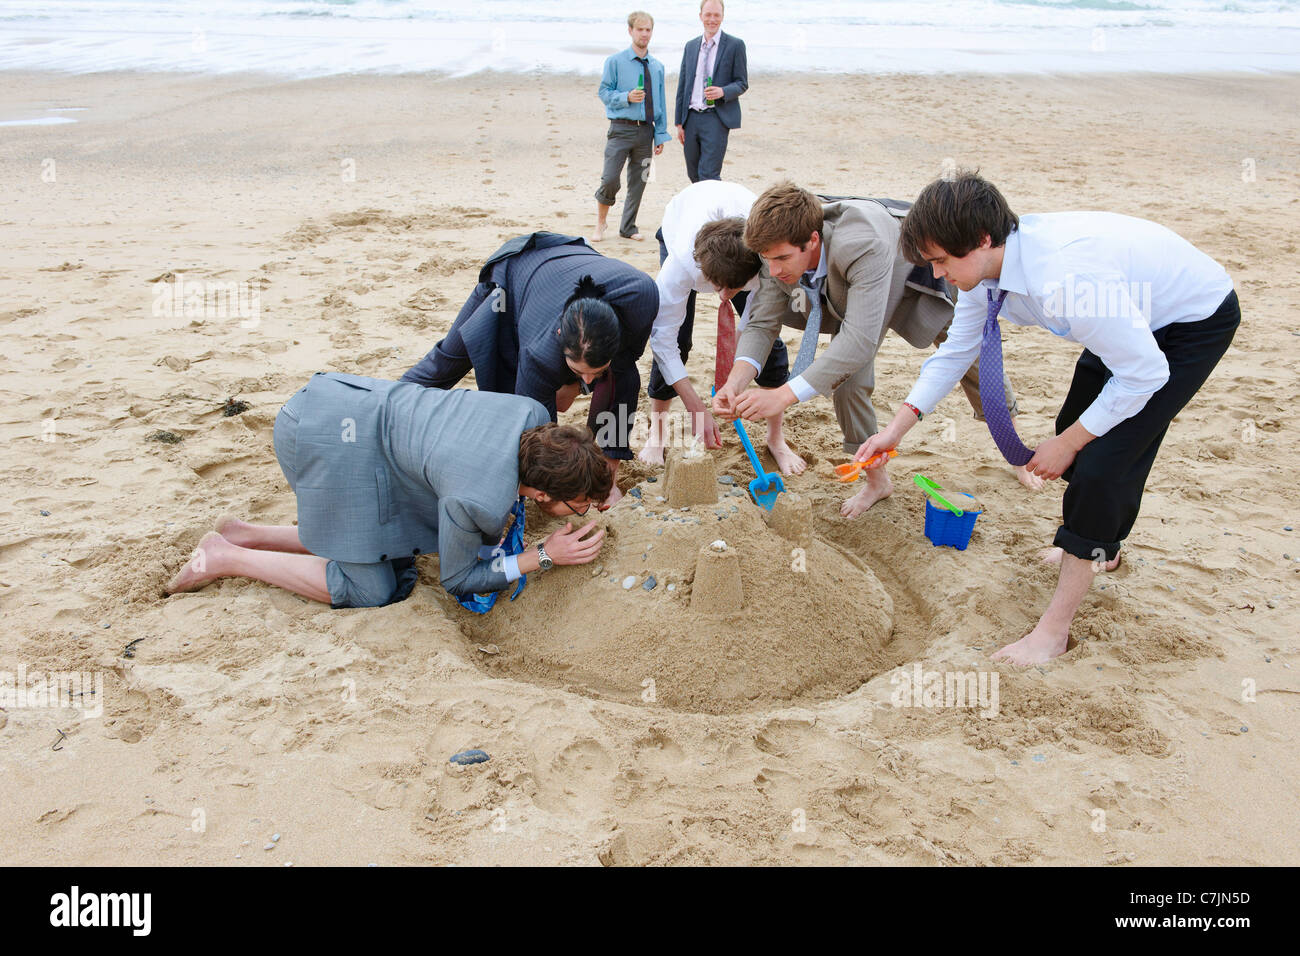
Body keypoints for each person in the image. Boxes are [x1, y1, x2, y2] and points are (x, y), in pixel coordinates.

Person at [855, 171, 1239, 665]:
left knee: (1103, 466)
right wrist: (894, 430)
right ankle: (1101, 550)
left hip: (1189, 323)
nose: (936, 275)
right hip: (1124, 316)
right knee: (1075, 423)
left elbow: (1144, 373)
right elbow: (956, 352)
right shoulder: (981, 272)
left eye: (940, 261)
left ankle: (1053, 632)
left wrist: (1072, 443)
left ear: (983, 239)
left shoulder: (1064, 281)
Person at [166, 373, 611, 609]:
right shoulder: (478, 498)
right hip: (323, 438)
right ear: (542, 494)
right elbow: (458, 579)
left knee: (396, 548)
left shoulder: (531, 414)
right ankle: (227, 557)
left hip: (343, 406)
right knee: (373, 589)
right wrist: (543, 555)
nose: (587, 509)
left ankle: (247, 533)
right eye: (582, 503)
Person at [713, 183, 1025, 518]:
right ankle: (877, 481)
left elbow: (858, 341)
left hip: (913, 272)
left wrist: (784, 395)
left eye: (782, 259)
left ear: (813, 241)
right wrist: (735, 382)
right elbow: (762, 323)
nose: (773, 271)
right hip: (847, 288)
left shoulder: (862, 242)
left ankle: (1016, 449)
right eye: (767, 260)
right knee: (847, 383)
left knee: (969, 356)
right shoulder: (776, 245)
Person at [400, 232, 657, 508]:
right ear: (559, 336)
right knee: (450, 358)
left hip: (566, 268)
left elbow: (621, 373)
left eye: (594, 372)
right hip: (511, 280)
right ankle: (393, 402)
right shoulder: (539, 353)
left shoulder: (642, 300)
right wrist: (556, 494)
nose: (588, 380)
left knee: (623, 378)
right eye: (578, 371)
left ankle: (608, 476)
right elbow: (539, 440)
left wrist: (604, 481)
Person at [639, 179, 801, 474]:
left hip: (744, 235)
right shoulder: (681, 263)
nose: (724, 296)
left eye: (734, 288)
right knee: (679, 340)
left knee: (771, 348)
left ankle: (776, 439)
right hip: (683, 216)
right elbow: (663, 340)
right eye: (717, 287)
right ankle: (657, 434)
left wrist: (735, 380)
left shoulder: (764, 263)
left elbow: (759, 327)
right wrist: (695, 407)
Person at [594, 11, 670, 242]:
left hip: (646, 132)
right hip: (620, 129)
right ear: (630, 31)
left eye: (648, 30)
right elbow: (604, 92)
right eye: (640, 29)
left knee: (641, 180)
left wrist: (661, 134)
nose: (644, 34)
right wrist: (626, 97)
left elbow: (661, 102)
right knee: (609, 179)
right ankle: (600, 223)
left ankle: (628, 227)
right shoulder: (615, 61)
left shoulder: (657, 66)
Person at [674, 0, 748, 183]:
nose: (712, 19)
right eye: (708, 15)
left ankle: (711, 212)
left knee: (709, 175)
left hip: (716, 117)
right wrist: (679, 122)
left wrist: (722, 91)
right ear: (700, 16)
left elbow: (742, 83)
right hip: (691, 118)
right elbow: (683, 85)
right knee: (694, 175)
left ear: (722, 16)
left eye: (716, 15)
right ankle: (705, 210)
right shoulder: (691, 46)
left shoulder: (735, 45)